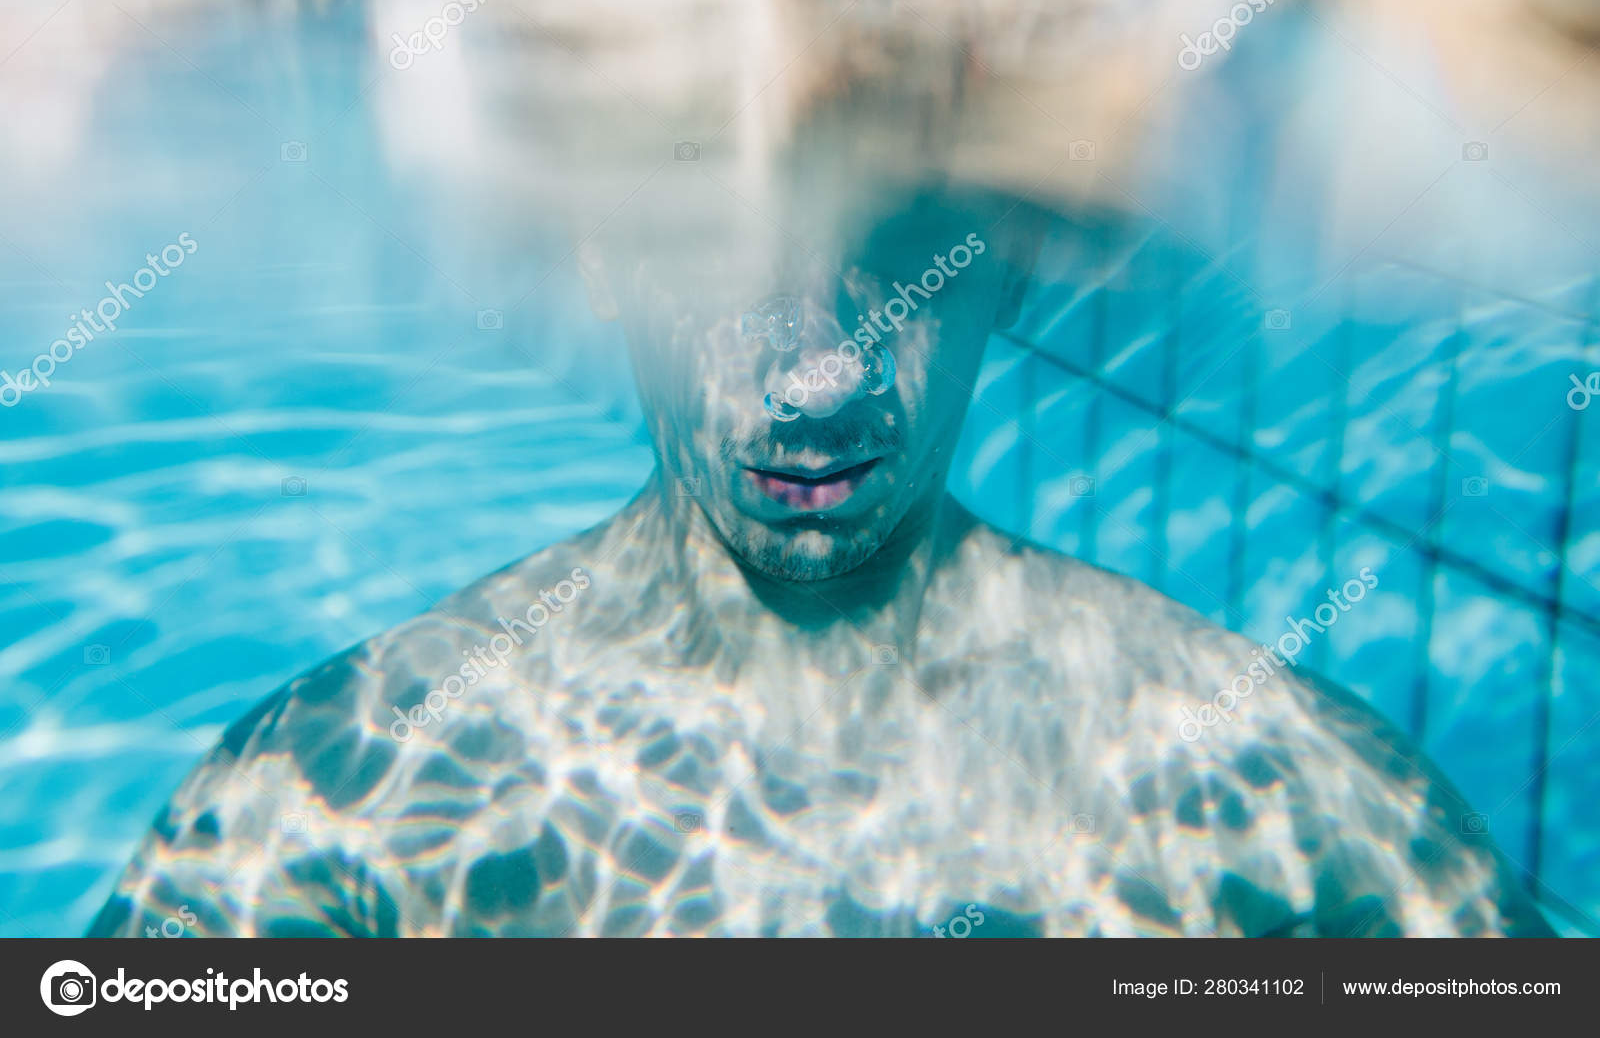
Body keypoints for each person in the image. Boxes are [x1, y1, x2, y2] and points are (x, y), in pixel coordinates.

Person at [89, 189, 1550, 938]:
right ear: (601, 258)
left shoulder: (1268, 788)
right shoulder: (352, 789)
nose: (816, 375)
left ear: (1009, 261)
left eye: (901, 253)